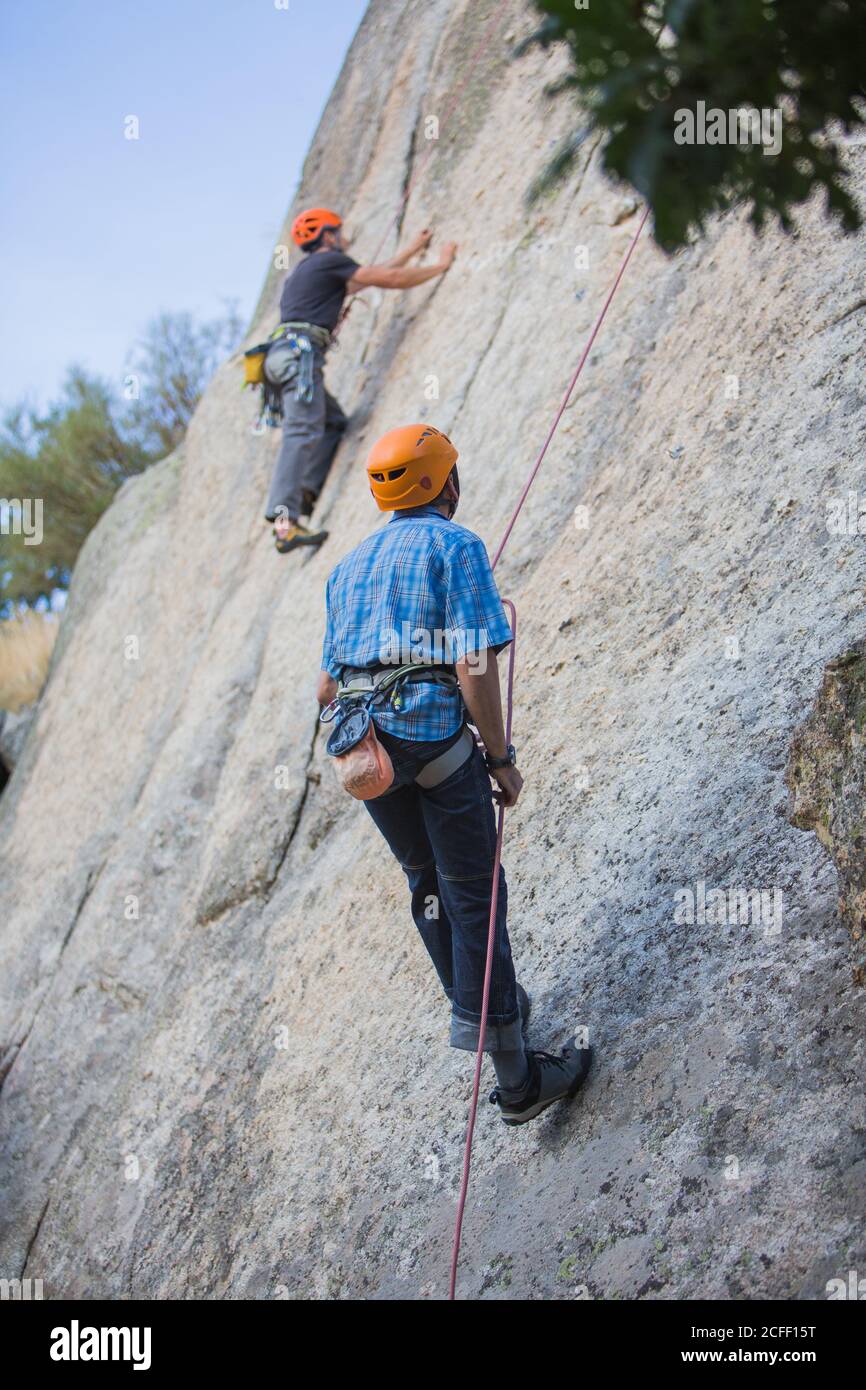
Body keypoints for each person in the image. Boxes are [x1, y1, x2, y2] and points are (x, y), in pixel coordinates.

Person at [316, 424, 593, 1124]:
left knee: (428, 888)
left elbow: (325, 689)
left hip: (363, 754)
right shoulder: (455, 546)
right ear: (446, 484)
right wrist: (499, 759)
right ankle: (519, 1079)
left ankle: (489, 1006)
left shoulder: (345, 569)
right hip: (432, 740)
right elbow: (473, 663)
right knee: (475, 895)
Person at [265, 208, 457, 554]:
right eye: (338, 230)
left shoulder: (309, 271)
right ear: (328, 236)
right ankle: (285, 524)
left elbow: (371, 276)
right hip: (299, 359)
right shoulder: (329, 262)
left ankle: (306, 491)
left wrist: (414, 248)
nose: (343, 235)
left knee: (333, 422)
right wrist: (440, 267)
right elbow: (389, 280)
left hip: (285, 359)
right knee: (300, 431)